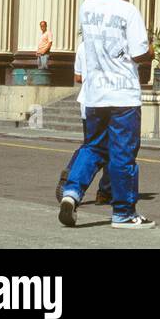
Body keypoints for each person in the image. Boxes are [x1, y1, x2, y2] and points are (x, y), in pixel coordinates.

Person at [57, 0, 155, 230]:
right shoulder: (130, 12)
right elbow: (138, 54)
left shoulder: (87, 7)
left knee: (93, 147)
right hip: (122, 95)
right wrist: (151, 53)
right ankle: (123, 212)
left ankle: (72, 193)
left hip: (94, 93)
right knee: (123, 154)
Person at [55, 40, 112, 205]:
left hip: (87, 102)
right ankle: (105, 192)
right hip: (106, 102)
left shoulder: (82, 46)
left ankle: (70, 173)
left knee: (90, 145)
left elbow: (78, 77)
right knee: (111, 148)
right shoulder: (111, 42)